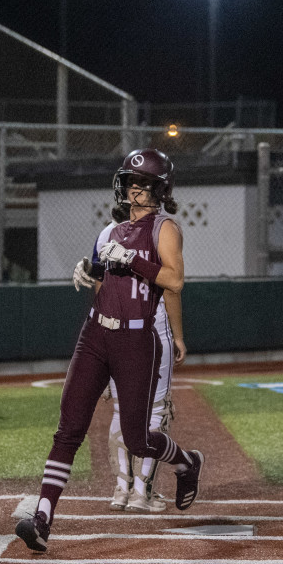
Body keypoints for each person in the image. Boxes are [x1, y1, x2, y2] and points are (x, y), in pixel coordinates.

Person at [15, 148, 203, 553]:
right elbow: (107, 285)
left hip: (137, 340)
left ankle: (187, 463)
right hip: (96, 334)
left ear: (160, 189)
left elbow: (174, 281)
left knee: (138, 440)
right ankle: (43, 518)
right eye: (131, 182)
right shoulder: (108, 232)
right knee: (69, 429)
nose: (135, 189)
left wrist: (134, 261)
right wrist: (92, 271)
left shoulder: (164, 228)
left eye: (144, 184)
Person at [76, 203, 186, 513]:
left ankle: (120, 489)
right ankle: (141, 492)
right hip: (153, 328)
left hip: (113, 328)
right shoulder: (158, 232)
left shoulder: (106, 234)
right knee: (155, 412)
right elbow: (171, 289)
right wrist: (178, 336)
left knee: (121, 410)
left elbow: (100, 287)